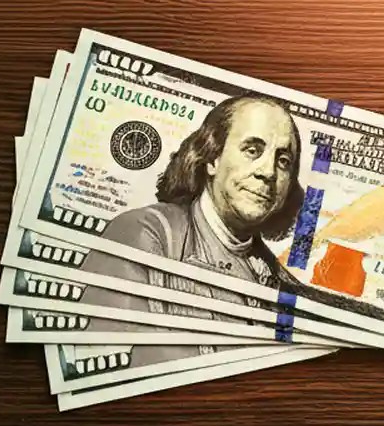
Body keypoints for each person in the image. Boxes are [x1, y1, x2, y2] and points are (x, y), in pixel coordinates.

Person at [76, 93, 307, 353]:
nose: (268, 172)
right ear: (212, 159)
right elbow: (101, 362)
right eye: (252, 150)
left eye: (283, 161)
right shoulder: (142, 234)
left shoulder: (285, 287)